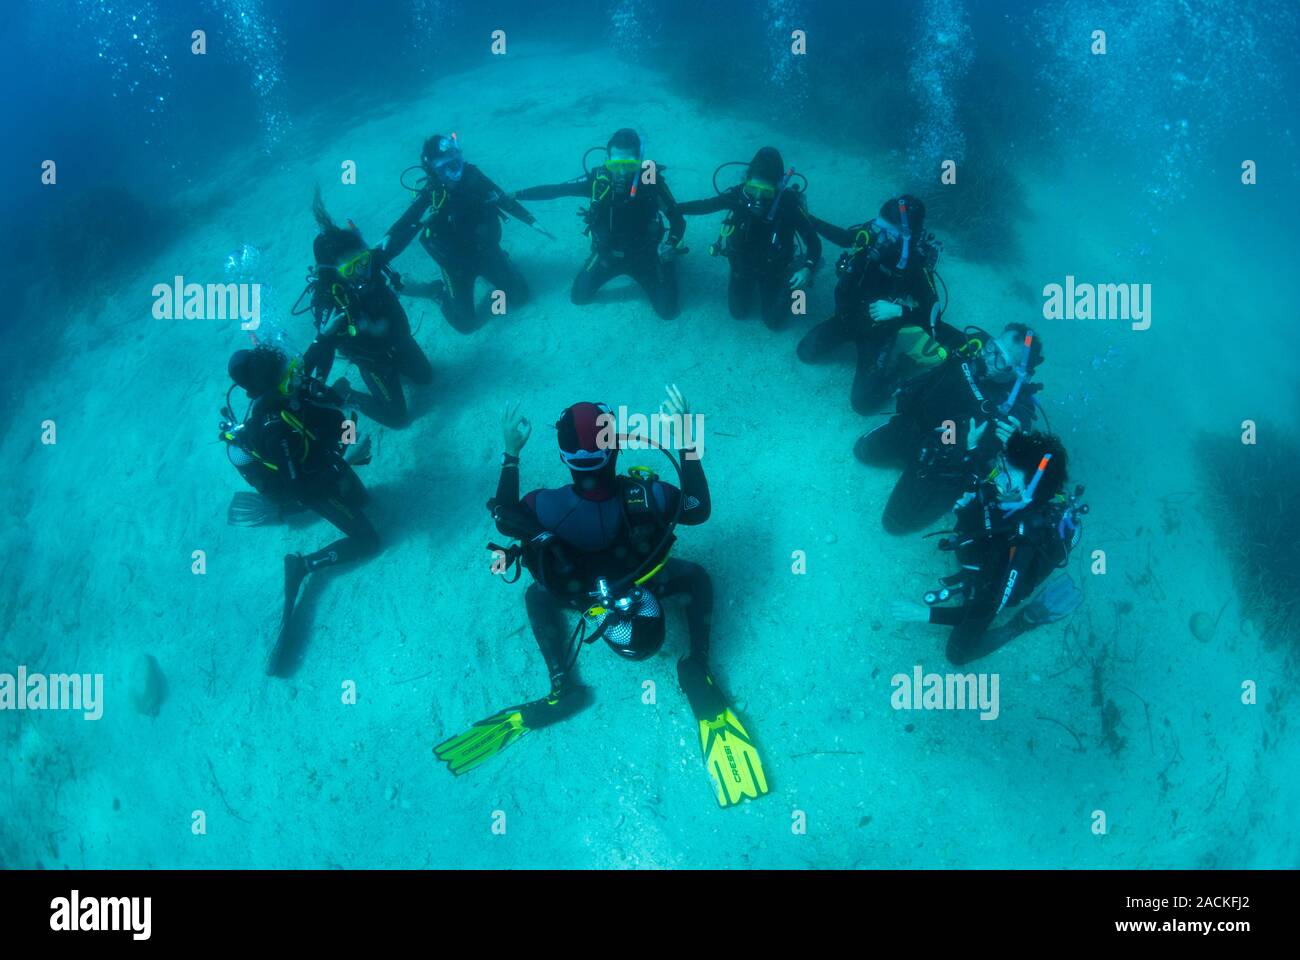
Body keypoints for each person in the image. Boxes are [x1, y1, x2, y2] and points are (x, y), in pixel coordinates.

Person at [434, 387, 769, 808]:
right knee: (698, 577)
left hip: (586, 600)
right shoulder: (651, 495)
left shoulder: (545, 506)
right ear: (614, 447)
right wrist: (685, 438)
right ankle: (697, 664)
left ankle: (561, 685)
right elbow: (699, 508)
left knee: (536, 596)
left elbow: (503, 516)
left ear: (564, 459)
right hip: (640, 590)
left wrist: (511, 453)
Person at [221, 342, 380, 675]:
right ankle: (302, 566)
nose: (296, 379)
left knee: (364, 500)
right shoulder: (274, 431)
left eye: (290, 372)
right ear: (270, 388)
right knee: (369, 541)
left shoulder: (286, 393)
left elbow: (328, 406)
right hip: (310, 486)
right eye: (287, 377)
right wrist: (344, 463)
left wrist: (326, 337)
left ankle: (299, 507)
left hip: (320, 463)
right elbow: (302, 490)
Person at [892, 431, 1086, 664]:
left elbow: (982, 609)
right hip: (988, 547)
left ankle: (1025, 622)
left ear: (1029, 492)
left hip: (1002, 574)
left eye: (1006, 476)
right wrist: (972, 445)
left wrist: (924, 614)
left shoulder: (1021, 545)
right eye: (1001, 466)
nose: (997, 478)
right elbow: (986, 473)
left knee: (957, 654)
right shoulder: (1006, 489)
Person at [855, 324, 1044, 535]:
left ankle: (943, 488)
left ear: (1019, 374)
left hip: (940, 462)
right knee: (862, 450)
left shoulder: (1015, 413)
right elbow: (930, 321)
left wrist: (1014, 444)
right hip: (915, 426)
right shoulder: (972, 346)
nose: (988, 357)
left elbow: (1009, 476)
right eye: (993, 347)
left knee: (895, 523)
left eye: (1002, 360)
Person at [797, 195, 950, 412]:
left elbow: (933, 315)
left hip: (877, 336)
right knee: (804, 352)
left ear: (906, 237)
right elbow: (844, 237)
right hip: (845, 319)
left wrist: (900, 310)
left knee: (863, 403)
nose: (877, 236)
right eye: (878, 227)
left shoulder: (915, 266)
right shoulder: (871, 235)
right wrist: (806, 216)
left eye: (887, 232)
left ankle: (903, 368)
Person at [514, 128, 687, 319]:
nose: (621, 172)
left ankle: (669, 264)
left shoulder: (651, 182)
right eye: (616, 164)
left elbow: (677, 219)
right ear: (607, 159)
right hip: (607, 255)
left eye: (628, 165)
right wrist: (516, 194)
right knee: (579, 297)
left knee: (668, 312)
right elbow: (557, 189)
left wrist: (670, 244)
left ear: (639, 161)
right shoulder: (598, 181)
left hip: (645, 255)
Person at [382, 132, 546, 333]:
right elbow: (409, 217)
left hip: (486, 252)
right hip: (455, 265)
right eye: (444, 167)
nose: (454, 172)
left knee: (521, 297)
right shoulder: (432, 193)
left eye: (456, 163)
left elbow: (501, 197)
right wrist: (390, 235)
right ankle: (437, 292)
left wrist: (531, 220)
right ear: (432, 170)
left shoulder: (473, 177)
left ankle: (502, 260)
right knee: (465, 325)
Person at [297, 189, 432, 428]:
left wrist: (426, 198)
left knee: (426, 378)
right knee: (397, 419)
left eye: (362, 261)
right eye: (350, 269)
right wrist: (319, 380)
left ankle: (399, 367)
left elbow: (399, 231)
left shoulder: (373, 262)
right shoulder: (329, 301)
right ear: (332, 273)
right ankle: (347, 394)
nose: (361, 271)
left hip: (399, 341)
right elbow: (324, 345)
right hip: (374, 361)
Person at [677, 146, 821, 329]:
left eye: (766, 192)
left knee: (774, 322)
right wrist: (671, 208)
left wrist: (807, 268)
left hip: (774, 270)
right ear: (745, 181)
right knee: (738, 313)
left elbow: (814, 243)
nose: (759, 199)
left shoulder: (788, 204)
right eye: (753, 189)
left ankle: (793, 280)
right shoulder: (738, 196)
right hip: (742, 267)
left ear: (778, 187)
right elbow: (705, 206)